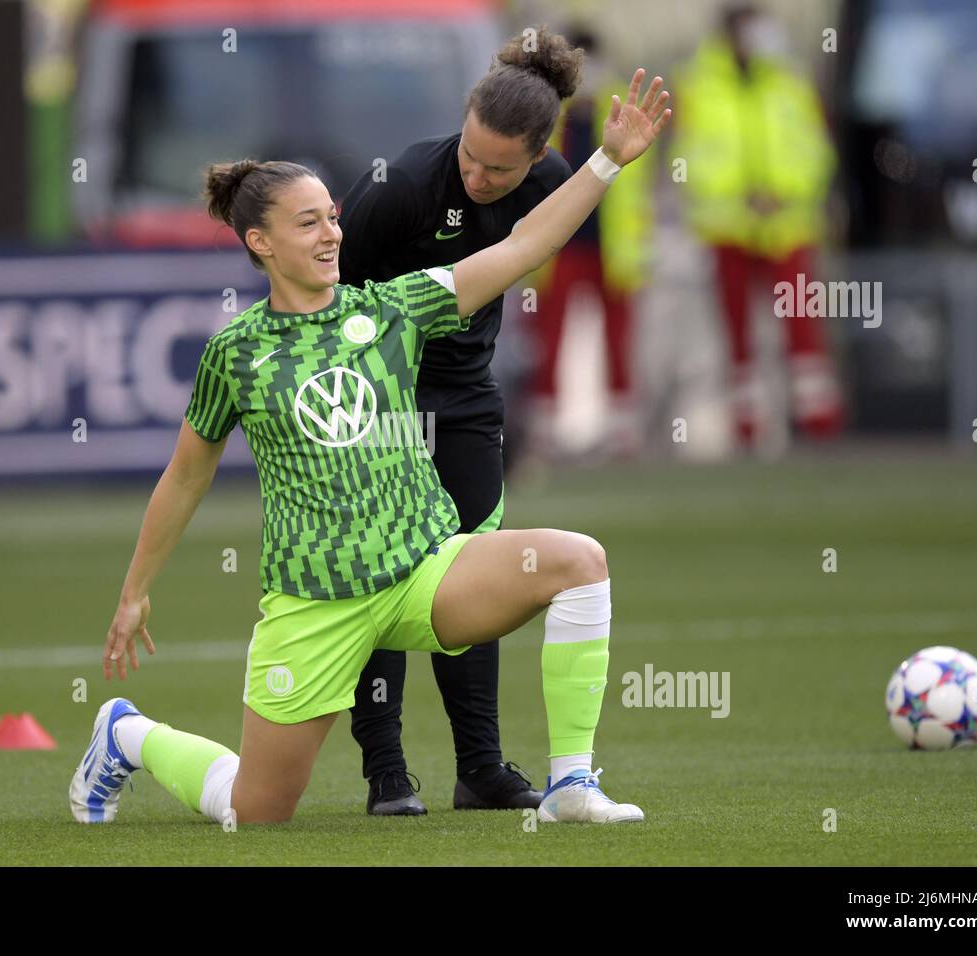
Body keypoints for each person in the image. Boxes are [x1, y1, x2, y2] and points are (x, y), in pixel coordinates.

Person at [69, 69, 672, 828]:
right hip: (317, 602)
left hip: (423, 573)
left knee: (579, 561)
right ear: (260, 243)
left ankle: (571, 783)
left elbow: (524, 246)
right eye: (307, 223)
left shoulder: (396, 307)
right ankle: (127, 733)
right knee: (255, 813)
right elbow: (185, 479)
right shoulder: (236, 353)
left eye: (331, 217)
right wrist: (133, 594)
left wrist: (608, 162)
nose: (331, 234)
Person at [334, 27, 580, 816]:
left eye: (499, 168)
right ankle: (386, 775)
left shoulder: (550, 183)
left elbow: (568, 226)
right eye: (470, 156)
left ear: (535, 156)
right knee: (382, 579)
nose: (477, 175)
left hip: (468, 402)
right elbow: (329, 300)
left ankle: (480, 769)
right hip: (380, 402)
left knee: (474, 577)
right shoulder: (403, 184)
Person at [672, 3, 842, 446]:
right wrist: (739, 194)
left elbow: (816, 149)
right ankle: (746, 426)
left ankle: (817, 424)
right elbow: (690, 157)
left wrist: (784, 191)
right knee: (737, 332)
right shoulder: (699, 85)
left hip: (788, 225)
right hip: (728, 227)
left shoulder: (790, 79)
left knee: (802, 326)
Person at [529, 27, 655, 461]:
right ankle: (543, 429)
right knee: (549, 337)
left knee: (619, 341)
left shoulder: (625, 106)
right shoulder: (545, 111)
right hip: (558, 246)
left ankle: (623, 431)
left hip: (612, 246)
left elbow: (640, 182)